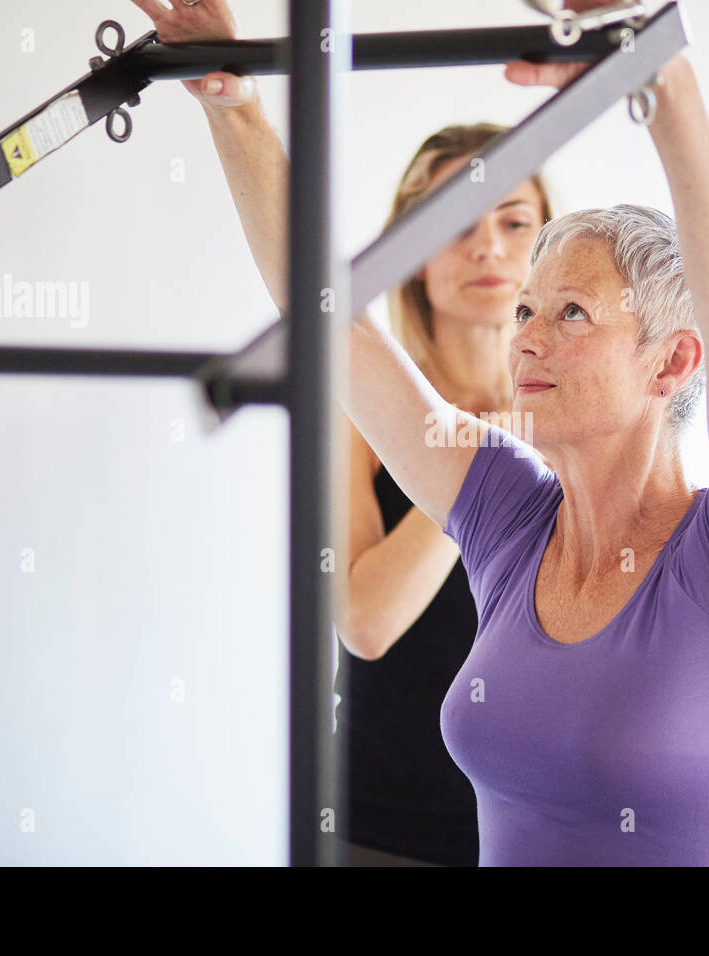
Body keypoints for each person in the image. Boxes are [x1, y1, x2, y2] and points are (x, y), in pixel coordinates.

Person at [149, 0, 709, 865]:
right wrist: (234, 107)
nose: (526, 335)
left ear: (672, 362)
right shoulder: (508, 515)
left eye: (572, 313)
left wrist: (660, 76)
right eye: (529, 309)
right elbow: (329, 320)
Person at [127, 0, 554, 866]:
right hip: (381, 826)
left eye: (515, 220)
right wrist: (235, 107)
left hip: (544, 826)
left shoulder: (584, 406)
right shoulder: (369, 411)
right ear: (410, 245)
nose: (489, 247)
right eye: (455, 221)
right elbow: (365, 618)